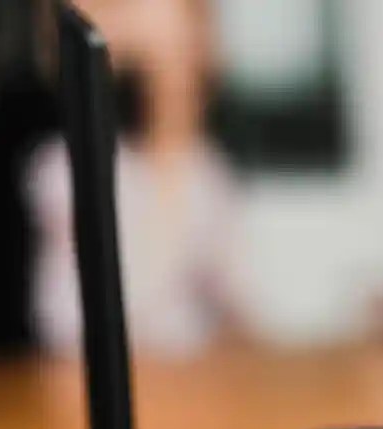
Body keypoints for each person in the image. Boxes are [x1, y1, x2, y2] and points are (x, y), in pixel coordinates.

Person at [29, 0, 248, 357]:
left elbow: (233, 296)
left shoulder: (205, 171)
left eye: (186, 57)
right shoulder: (66, 171)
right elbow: (69, 325)